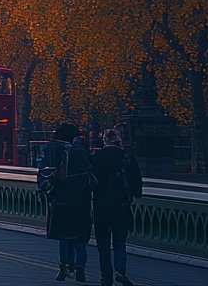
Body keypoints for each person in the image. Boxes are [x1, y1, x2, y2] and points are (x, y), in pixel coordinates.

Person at [42, 123, 93, 282]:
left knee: (64, 235)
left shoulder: (51, 149)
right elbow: (89, 174)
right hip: (80, 199)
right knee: (80, 236)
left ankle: (63, 267)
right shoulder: (80, 150)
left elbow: (44, 173)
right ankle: (80, 269)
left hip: (60, 199)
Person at [90, 129, 142, 286]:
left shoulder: (96, 158)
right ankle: (120, 271)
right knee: (120, 242)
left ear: (104, 141)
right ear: (119, 141)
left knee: (103, 245)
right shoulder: (127, 157)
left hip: (101, 206)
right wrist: (135, 194)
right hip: (122, 206)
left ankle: (106, 276)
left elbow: (90, 181)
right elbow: (137, 182)